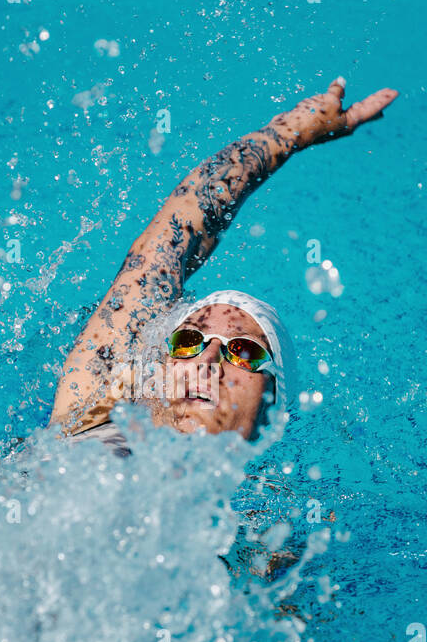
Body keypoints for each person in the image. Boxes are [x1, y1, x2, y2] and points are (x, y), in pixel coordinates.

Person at [49, 77, 398, 456]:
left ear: (273, 407)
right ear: (152, 378)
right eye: (187, 343)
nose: (208, 359)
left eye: (244, 352)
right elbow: (169, 242)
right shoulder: (88, 414)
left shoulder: (261, 513)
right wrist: (292, 130)